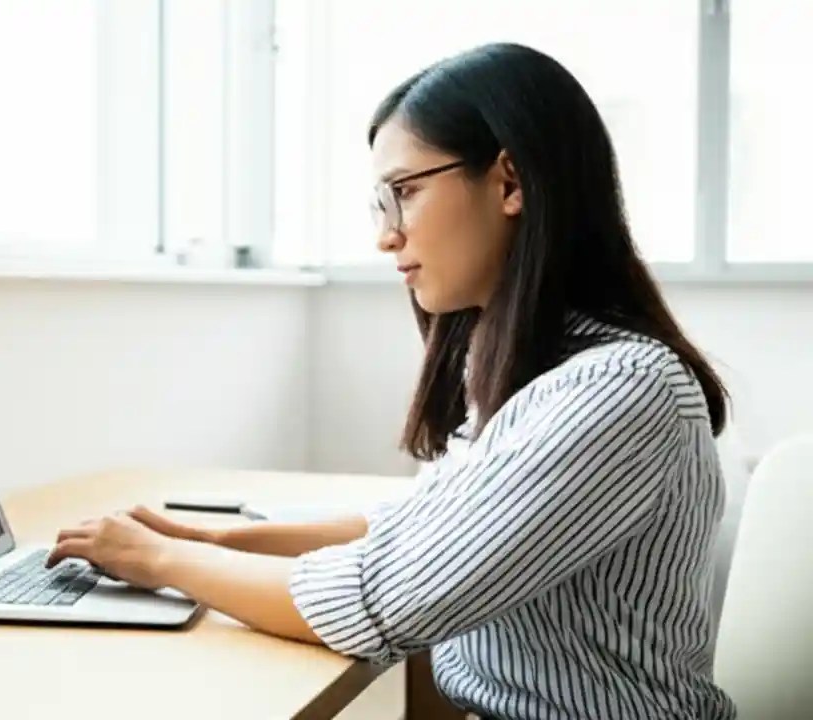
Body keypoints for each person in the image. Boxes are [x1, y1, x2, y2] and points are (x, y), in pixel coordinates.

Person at [47, 42, 736, 719]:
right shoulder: (535, 370)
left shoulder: (618, 388)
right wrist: (209, 544)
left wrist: (159, 562)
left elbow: (383, 599)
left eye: (403, 193)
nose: (386, 235)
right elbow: (413, 530)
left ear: (510, 181)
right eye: (382, 203)